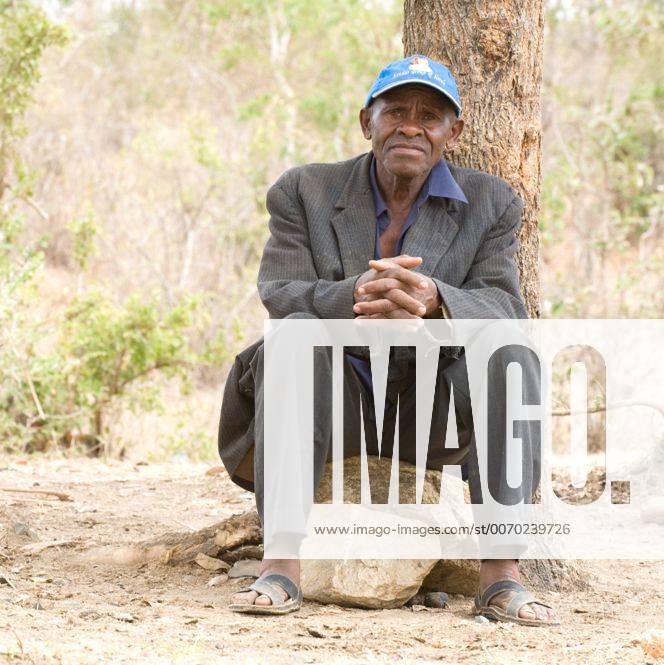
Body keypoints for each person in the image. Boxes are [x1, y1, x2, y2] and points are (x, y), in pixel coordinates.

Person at [217, 55, 558, 625]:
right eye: (395, 111)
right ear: (366, 122)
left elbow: (504, 306)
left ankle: (501, 577)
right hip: (335, 404)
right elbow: (280, 290)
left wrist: (434, 298)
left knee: (509, 348)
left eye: (430, 115)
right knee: (294, 333)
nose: (410, 126)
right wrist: (358, 295)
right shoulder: (305, 190)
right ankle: (280, 568)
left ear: (454, 132)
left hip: (433, 415)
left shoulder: (494, 203)